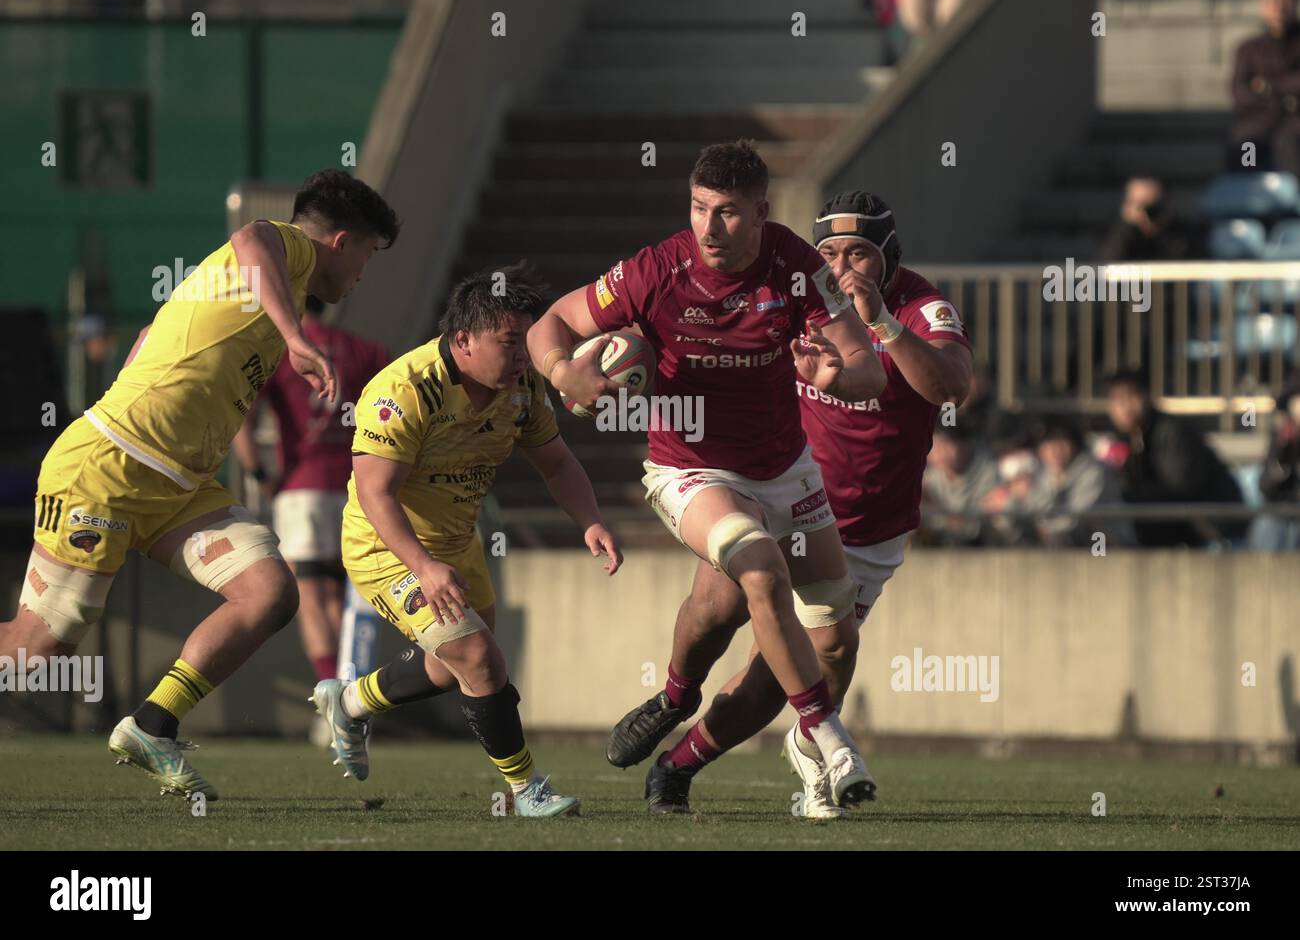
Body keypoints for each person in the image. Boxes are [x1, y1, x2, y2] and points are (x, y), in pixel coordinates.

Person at [5, 169, 399, 799]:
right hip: (109, 469)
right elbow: (251, 236)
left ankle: (153, 725)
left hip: (181, 487)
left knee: (269, 591)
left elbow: (146, 335)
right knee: (32, 653)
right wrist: (295, 338)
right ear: (341, 241)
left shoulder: (276, 294)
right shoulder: (288, 249)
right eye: (367, 256)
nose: (362, 274)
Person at [527, 142, 887, 813]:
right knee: (759, 573)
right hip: (689, 469)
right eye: (698, 209)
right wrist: (561, 371)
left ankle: (678, 738)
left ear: (761, 213)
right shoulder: (656, 268)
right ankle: (828, 739)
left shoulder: (797, 267)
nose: (708, 228)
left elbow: (867, 368)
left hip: (784, 470)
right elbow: (549, 324)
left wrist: (839, 376)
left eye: (725, 213)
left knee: (824, 638)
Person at [613, 190, 973, 816]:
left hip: (863, 529)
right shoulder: (800, 294)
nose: (842, 267)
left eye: (859, 253)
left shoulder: (921, 307)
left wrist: (881, 321)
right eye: (829, 251)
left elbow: (951, 387)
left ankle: (679, 765)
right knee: (714, 608)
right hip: (776, 490)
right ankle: (675, 695)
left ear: (888, 256)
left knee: (783, 672)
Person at [310, 263, 622, 818]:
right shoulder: (403, 389)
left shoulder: (521, 386)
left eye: (526, 341)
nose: (524, 355)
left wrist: (590, 521)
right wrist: (425, 566)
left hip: (459, 543)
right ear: (462, 340)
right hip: (388, 547)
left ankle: (351, 701)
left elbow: (556, 463)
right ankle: (528, 789)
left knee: (456, 665)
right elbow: (376, 493)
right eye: (509, 343)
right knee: (479, 657)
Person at [232, 295, 389, 737]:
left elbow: (243, 419)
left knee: (312, 597)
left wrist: (260, 473)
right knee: (343, 600)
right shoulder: (366, 350)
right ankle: (353, 704)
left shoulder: (284, 354)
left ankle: (334, 710)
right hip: (359, 487)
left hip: (301, 489)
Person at [1105, 370, 1245, 547]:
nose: (1125, 407)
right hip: (1174, 522)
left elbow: (1179, 488)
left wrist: (1131, 496)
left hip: (1209, 523)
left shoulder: (1171, 432)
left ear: (1147, 397)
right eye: (1117, 401)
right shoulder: (1123, 440)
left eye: (1131, 397)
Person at [1021, 418, 1135, 548]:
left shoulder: (1094, 471)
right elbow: (1032, 512)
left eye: (1060, 442)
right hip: (1069, 540)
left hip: (1108, 541)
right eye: (1048, 444)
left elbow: (1077, 517)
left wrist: (1044, 526)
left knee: (1062, 538)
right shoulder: (1043, 474)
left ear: (1074, 444)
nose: (1054, 450)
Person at [1230, 0, 1300, 177]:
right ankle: (1246, 196)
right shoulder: (1248, 49)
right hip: (1256, 124)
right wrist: (1284, 100)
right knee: (1245, 145)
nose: (1277, 5)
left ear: (1294, 0)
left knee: (1290, 145)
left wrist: (1267, 86)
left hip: (1295, 126)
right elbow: (1240, 94)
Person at [921, 422, 997, 546]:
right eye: (935, 445)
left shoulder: (988, 471)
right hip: (939, 545)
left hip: (983, 545)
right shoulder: (929, 476)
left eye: (947, 444)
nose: (940, 452)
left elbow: (981, 522)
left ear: (966, 445)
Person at [1252, 372, 1300, 549]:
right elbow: (1266, 486)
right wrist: (1284, 450)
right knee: (1268, 523)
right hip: (1283, 513)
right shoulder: (1283, 438)